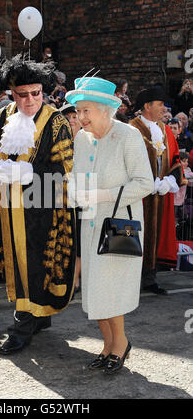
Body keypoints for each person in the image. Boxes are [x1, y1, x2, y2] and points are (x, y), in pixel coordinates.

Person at [0, 55, 75, 354]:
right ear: (11, 94)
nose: (30, 100)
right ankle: (36, 315)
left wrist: (29, 172)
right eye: (22, 94)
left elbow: (65, 168)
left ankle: (23, 324)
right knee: (15, 263)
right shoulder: (1, 117)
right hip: (5, 208)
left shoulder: (56, 122)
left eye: (36, 93)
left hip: (42, 207)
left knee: (33, 263)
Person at [65, 76, 153, 374]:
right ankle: (107, 345)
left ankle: (120, 343)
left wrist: (105, 194)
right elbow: (77, 175)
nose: (81, 117)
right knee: (94, 288)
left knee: (110, 288)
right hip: (90, 222)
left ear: (106, 109)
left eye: (86, 110)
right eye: (78, 111)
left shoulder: (128, 136)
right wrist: (73, 189)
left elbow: (145, 183)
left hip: (119, 223)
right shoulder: (81, 138)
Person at [130, 87, 185, 293]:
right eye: (160, 104)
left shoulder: (166, 130)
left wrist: (170, 179)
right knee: (136, 234)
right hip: (138, 195)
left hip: (160, 194)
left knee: (157, 233)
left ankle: (149, 278)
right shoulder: (131, 129)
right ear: (147, 106)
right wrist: (145, 181)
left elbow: (176, 159)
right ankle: (132, 278)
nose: (164, 108)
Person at [60, 103, 82, 292]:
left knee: (80, 241)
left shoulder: (89, 140)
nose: (72, 121)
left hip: (84, 196)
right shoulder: (58, 142)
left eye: (75, 117)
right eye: (68, 118)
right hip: (62, 196)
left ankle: (75, 280)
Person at [174, 151, 192, 224]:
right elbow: (183, 177)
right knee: (174, 216)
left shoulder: (188, 170)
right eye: (184, 161)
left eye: (187, 161)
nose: (186, 163)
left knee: (181, 217)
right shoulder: (177, 170)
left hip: (182, 198)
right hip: (174, 199)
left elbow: (190, 184)